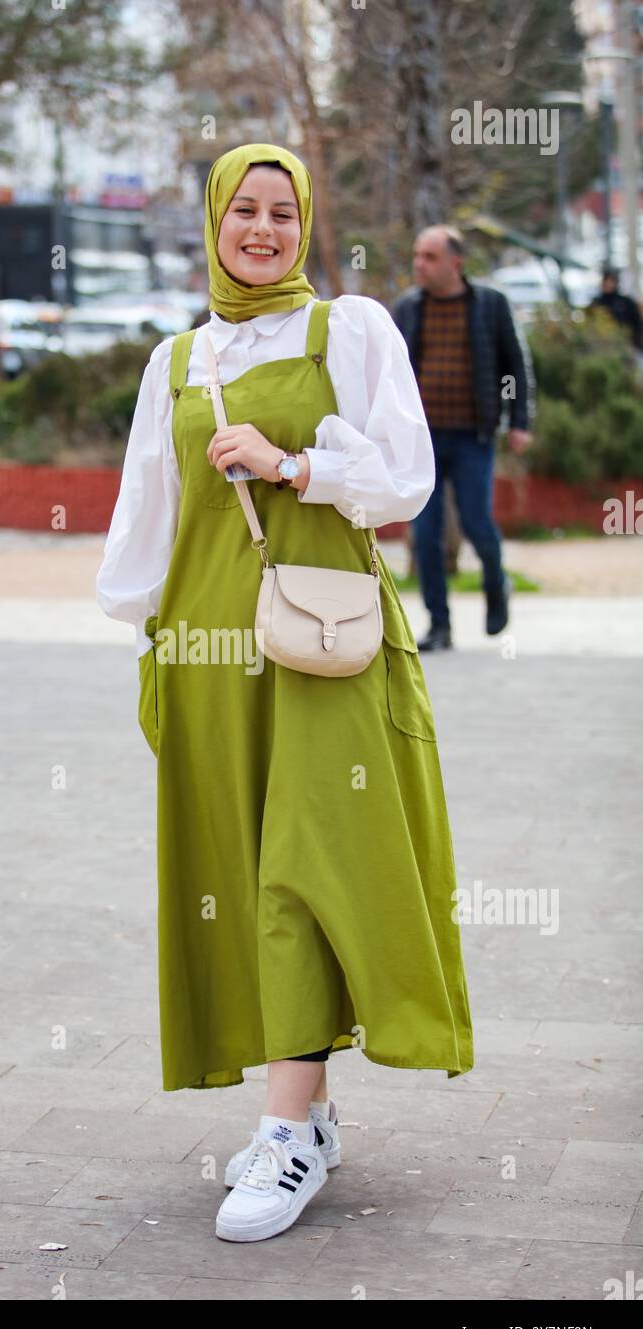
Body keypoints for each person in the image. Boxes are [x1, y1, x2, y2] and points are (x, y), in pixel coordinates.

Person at [95, 144, 474, 1243]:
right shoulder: (176, 357)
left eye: (280, 211)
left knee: (303, 871)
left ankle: (291, 1134)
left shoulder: (347, 331)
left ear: (305, 223)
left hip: (321, 643)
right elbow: (144, 517)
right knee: (235, 869)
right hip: (207, 649)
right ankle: (300, 1107)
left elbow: (404, 478)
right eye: (242, 210)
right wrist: (149, 650)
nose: (260, 229)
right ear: (213, 222)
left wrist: (292, 465)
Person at [391, 226, 534, 651]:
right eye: (417, 254)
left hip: (474, 436)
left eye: (430, 256)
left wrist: (520, 421)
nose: (420, 263)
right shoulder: (408, 308)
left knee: (477, 523)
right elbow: (389, 369)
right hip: (423, 440)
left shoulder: (490, 305)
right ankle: (440, 625)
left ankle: (496, 581)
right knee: (426, 532)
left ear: (456, 262)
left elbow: (514, 366)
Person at [589, 267, 643, 351]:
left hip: (627, 344)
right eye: (606, 280)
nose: (608, 284)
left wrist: (635, 341)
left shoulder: (626, 302)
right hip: (602, 345)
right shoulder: (596, 303)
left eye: (611, 281)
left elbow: (637, 323)